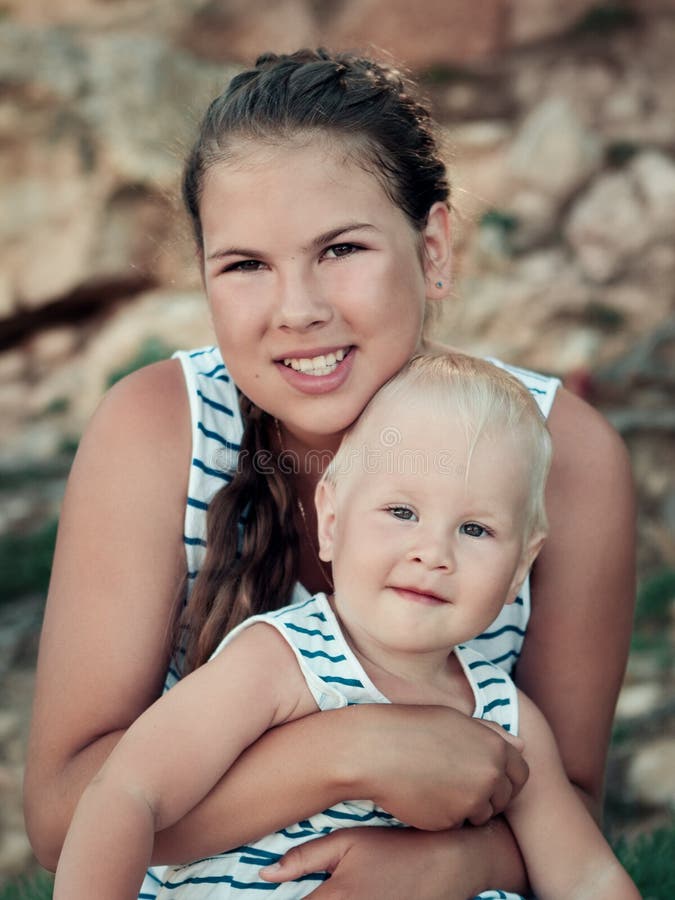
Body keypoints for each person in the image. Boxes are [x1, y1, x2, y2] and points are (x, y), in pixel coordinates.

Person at [24, 49, 636, 900]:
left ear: (432, 249)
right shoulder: (157, 429)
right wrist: (349, 752)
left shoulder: (555, 455)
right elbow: (64, 819)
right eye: (245, 265)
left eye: (340, 249)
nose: (298, 310)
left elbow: (564, 807)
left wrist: (446, 864)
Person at [52, 353, 638, 900]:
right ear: (331, 521)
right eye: (402, 512)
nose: (433, 553)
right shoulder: (281, 659)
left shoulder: (506, 715)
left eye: (475, 530)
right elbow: (128, 793)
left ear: (519, 569)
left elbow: (585, 875)